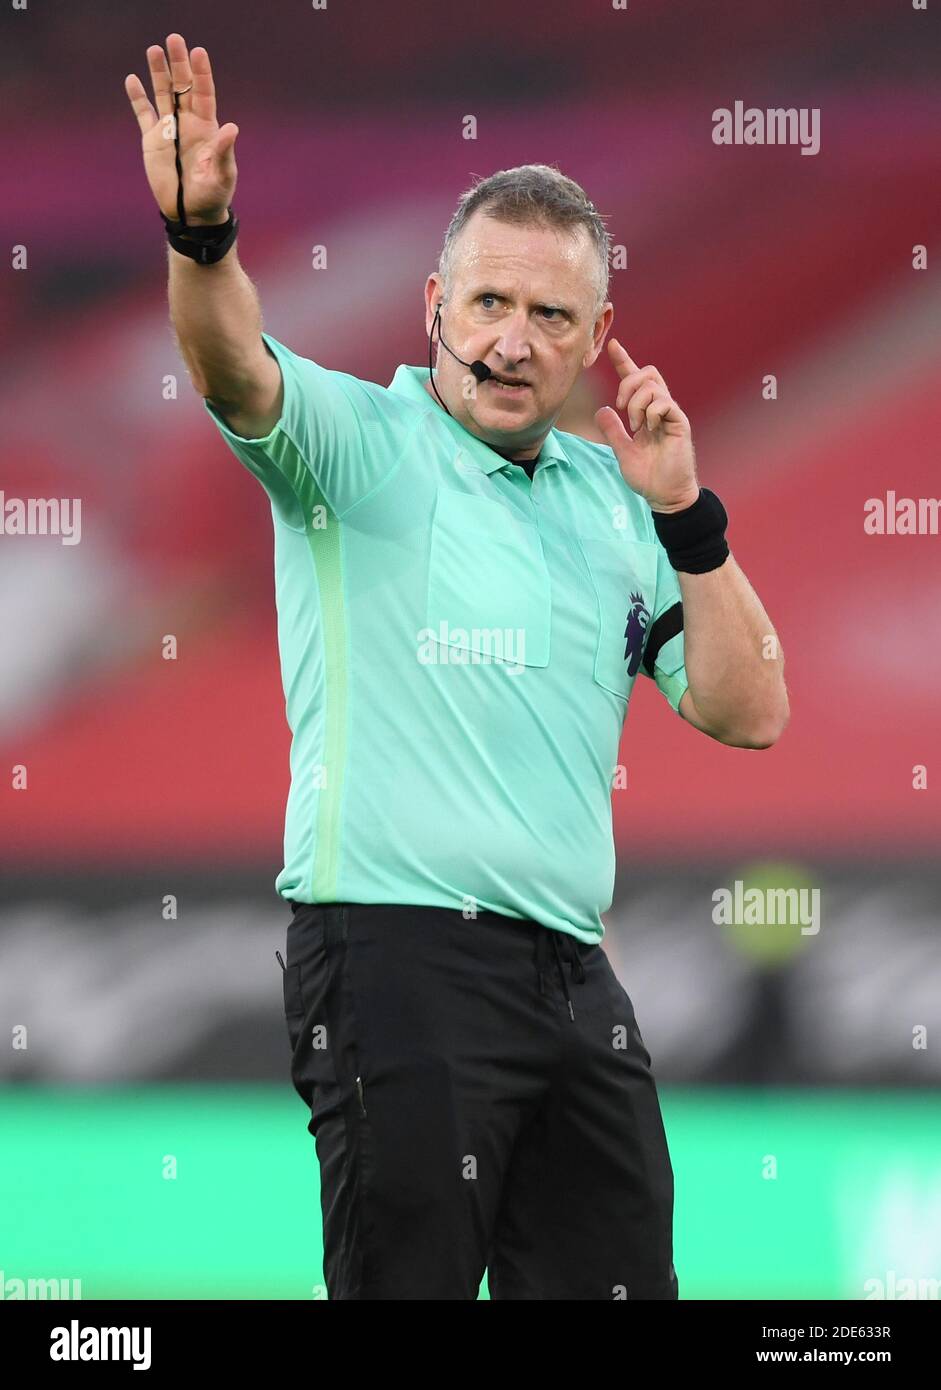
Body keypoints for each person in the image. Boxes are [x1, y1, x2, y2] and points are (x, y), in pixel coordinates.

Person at [125, 34, 789, 1301]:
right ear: (435, 303)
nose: (512, 340)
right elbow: (230, 364)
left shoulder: (619, 499)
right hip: (393, 957)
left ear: (596, 336)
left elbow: (750, 711)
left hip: (571, 970)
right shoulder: (355, 442)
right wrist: (201, 239)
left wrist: (687, 517)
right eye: (488, 303)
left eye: (550, 316)